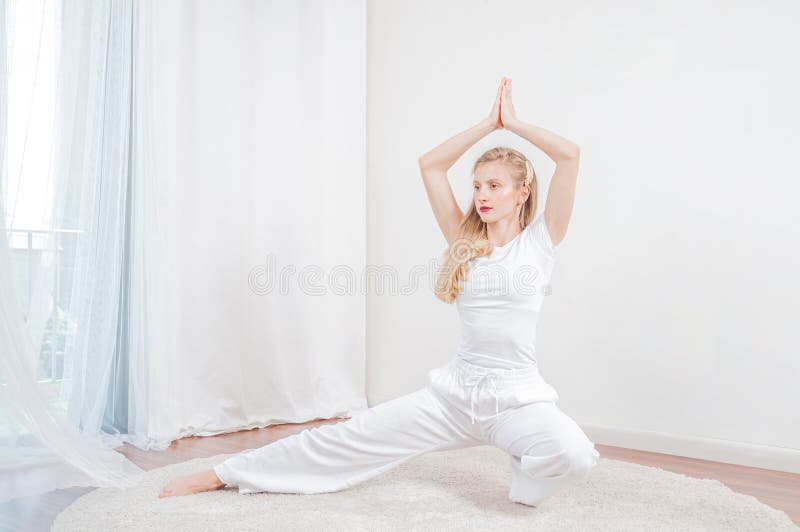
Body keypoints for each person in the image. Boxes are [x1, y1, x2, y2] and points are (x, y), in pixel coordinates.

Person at [158, 76, 598, 506]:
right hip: (454, 398)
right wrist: (487, 124)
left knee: (575, 454)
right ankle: (224, 474)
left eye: (495, 186)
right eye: (478, 185)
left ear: (522, 193)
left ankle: (526, 472)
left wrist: (511, 123)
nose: (482, 195)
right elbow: (430, 165)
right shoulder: (462, 240)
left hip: (515, 400)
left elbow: (570, 155)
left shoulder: (540, 243)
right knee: (346, 436)